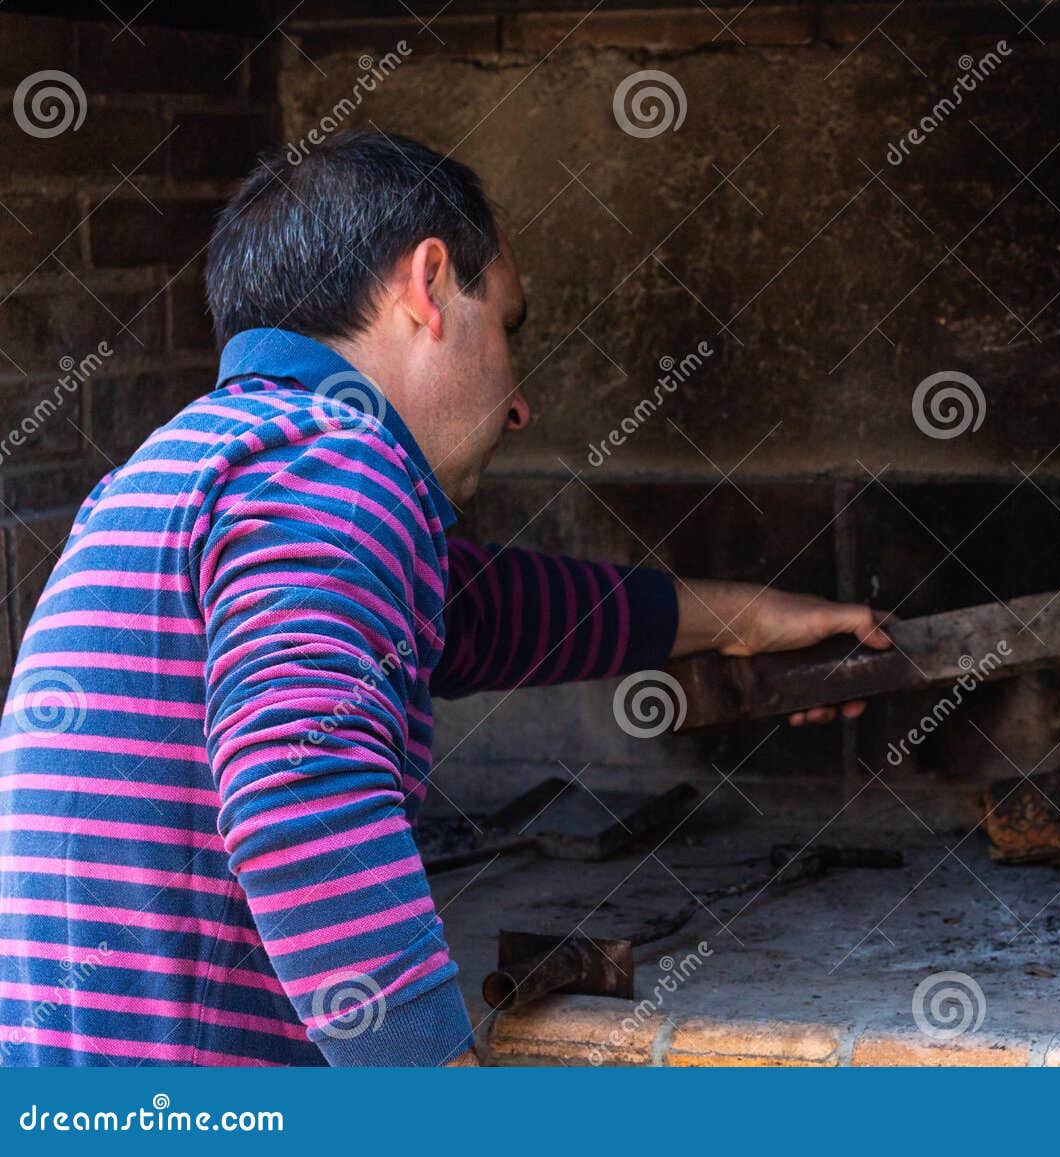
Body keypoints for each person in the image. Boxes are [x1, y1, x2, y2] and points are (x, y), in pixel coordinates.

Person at [0, 129, 889, 1067]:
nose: (518, 404)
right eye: (508, 324)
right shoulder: (337, 467)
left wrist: (741, 621)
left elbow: (475, 612)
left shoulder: (194, 465)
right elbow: (302, 787)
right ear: (427, 285)